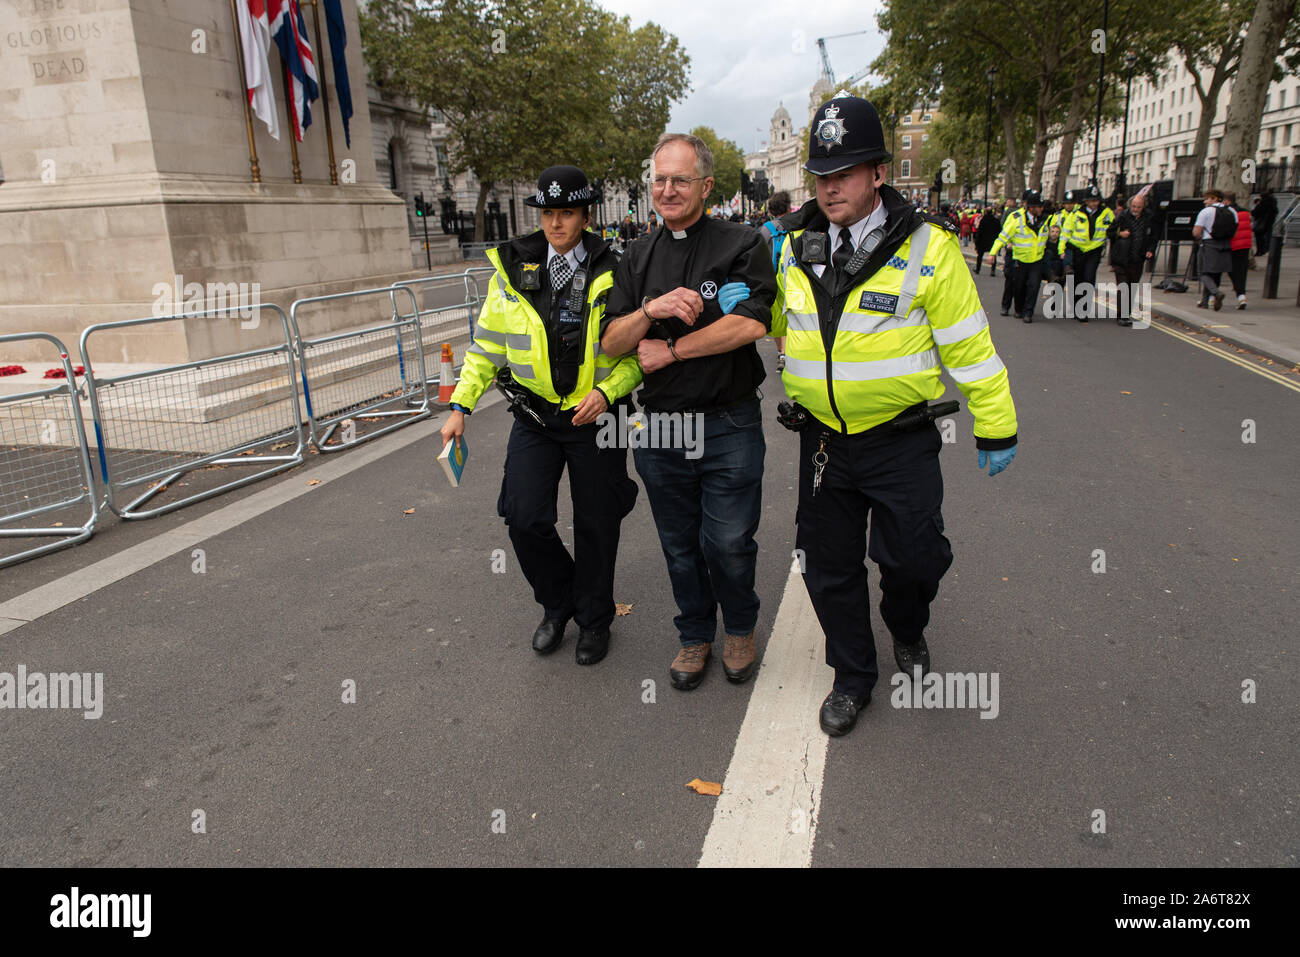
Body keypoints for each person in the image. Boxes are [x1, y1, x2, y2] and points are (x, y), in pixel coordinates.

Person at [771, 93, 1019, 737]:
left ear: (878, 172)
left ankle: (907, 626)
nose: (829, 189)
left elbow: (970, 346)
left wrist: (996, 422)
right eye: (821, 176)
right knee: (828, 569)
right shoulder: (795, 248)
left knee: (914, 561)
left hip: (901, 442)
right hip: (824, 442)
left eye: (844, 174)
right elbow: (784, 327)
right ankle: (853, 677)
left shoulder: (929, 249)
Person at [442, 165, 642, 666]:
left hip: (595, 415)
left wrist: (607, 390)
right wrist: (460, 405)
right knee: (524, 517)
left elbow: (638, 354)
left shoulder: (615, 268)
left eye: (567, 213)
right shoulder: (512, 269)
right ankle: (559, 604)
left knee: (598, 522)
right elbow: (487, 346)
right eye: (549, 213)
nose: (556, 224)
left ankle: (595, 619)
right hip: (534, 416)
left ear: (585, 215)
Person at [601, 133, 777, 692]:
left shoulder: (744, 243)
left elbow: (752, 323)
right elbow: (611, 341)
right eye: (659, 179)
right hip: (659, 428)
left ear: (706, 185)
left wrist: (672, 347)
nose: (667, 190)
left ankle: (741, 627)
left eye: (679, 180)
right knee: (679, 544)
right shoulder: (637, 253)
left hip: (729, 422)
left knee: (727, 541)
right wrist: (651, 309)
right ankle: (694, 633)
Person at [989, 189, 1050, 322]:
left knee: (1034, 286)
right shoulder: (1016, 218)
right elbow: (1003, 237)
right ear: (1031, 208)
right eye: (1039, 207)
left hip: (1037, 259)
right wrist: (993, 253)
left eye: (1042, 206)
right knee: (1019, 286)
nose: (1041, 209)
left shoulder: (1046, 219)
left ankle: (1028, 312)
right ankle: (1019, 309)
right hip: (1020, 259)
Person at [1063, 185, 1114, 321]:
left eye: (1096, 200)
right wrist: (1062, 249)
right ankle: (1076, 306)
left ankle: (1083, 310)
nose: (1094, 203)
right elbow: (1066, 232)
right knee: (1078, 279)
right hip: (1078, 250)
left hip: (1095, 250)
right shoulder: (1076, 214)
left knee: (1089, 278)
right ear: (1086, 201)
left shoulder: (1107, 213)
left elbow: (1113, 228)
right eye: (1091, 201)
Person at [1106, 191, 1156, 326]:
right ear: (1130, 205)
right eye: (1134, 206)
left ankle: (1125, 314)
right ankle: (1122, 316)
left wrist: (1150, 250)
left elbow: (1153, 237)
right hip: (1121, 257)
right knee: (1123, 286)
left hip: (1137, 257)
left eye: (1138, 207)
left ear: (1143, 206)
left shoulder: (1149, 218)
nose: (1135, 209)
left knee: (1132, 286)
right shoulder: (1122, 216)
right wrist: (1120, 233)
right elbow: (1109, 232)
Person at [762, 190, 793, 370]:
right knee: (789, 315)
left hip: (771, 278)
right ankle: (787, 352)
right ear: (788, 208)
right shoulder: (795, 225)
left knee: (776, 319)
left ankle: (780, 352)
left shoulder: (766, 230)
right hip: (790, 277)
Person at [1193, 188, 1237, 311]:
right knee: (1215, 273)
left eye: (1207, 198)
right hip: (1225, 245)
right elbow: (1235, 229)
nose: (1205, 201)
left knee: (1203, 272)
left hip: (1209, 244)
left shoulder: (1206, 212)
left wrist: (1200, 237)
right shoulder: (1232, 211)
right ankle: (1205, 301)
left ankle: (1216, 293)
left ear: (1214, 198)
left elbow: (1196, 232)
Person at [1224, 191, 1252, 309]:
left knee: (1231, 271)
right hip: (1245, 245)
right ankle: (1242, 296)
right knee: (1242, 271)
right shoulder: (1245, 212)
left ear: (1227, 201)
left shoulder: (1227, 212)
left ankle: (1239, 294)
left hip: (1233, 245)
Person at [973, 206, 1001, 275]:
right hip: (992, 240)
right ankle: (993, 270)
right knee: (993, 256)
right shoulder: (996, 220)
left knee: (980, 256)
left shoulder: (983, 221)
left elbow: (979, 232)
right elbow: (999, 230)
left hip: (983, 241)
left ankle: (978, 269)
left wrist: (976, 243)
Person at [1252, 189, 1277, 257]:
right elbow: (1275, 212)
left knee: (1259, 238)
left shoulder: (1262, 203)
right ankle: (1265, 249)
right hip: (1268, 223)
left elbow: (1255, 212)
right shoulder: (1273, 202)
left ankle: (1260, 250)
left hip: (1261, 223)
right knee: (1267, 236)